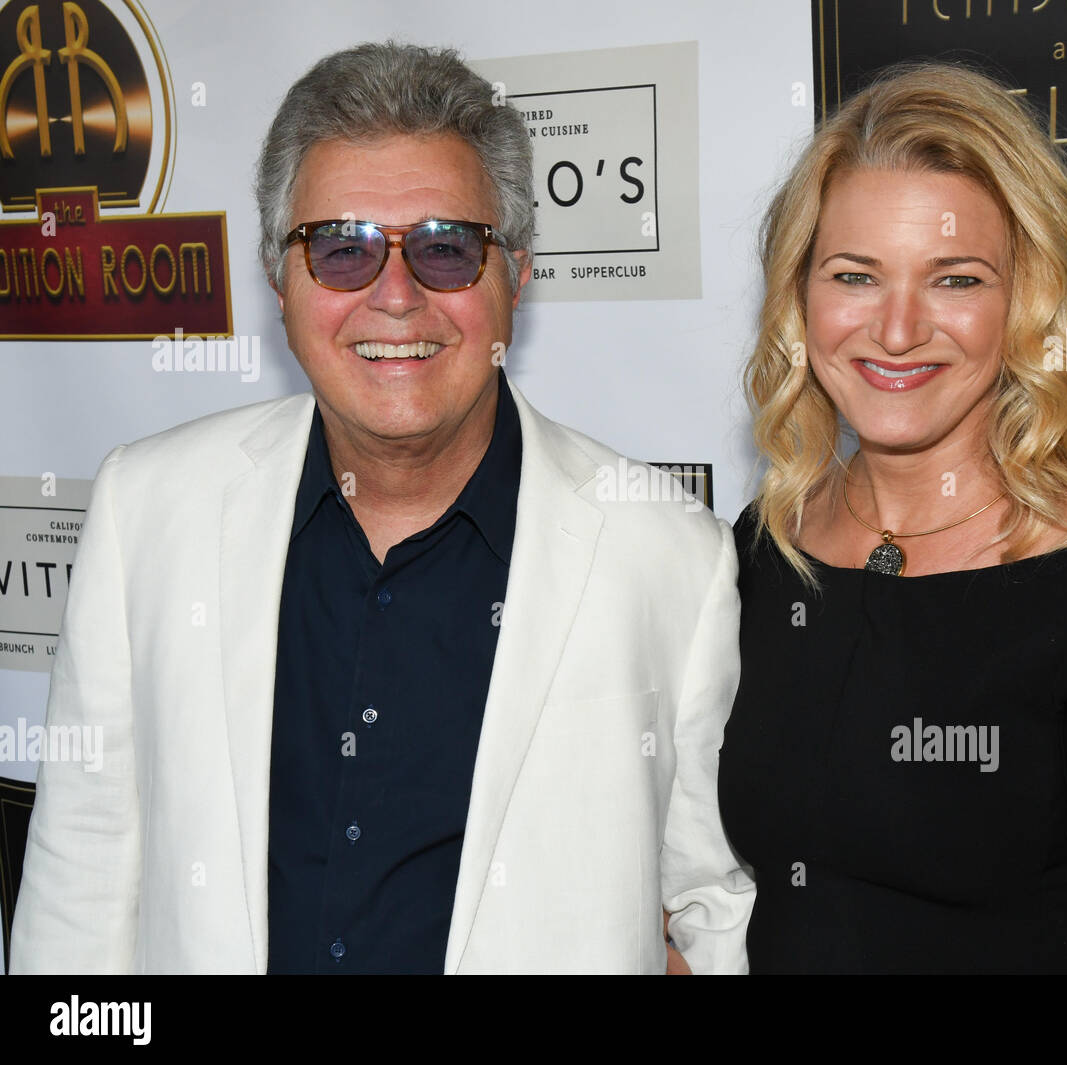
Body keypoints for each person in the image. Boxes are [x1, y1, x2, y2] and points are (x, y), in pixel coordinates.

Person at [11, 42, 753, 974]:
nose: (395, 297)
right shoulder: (145, 508)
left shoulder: (670, 552)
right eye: (342, 248)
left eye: (446, 249)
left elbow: (710, 912)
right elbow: (76, 902)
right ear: (280, 282)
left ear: (515, 275)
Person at [717, 61, 1067, 974]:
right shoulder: (767, 548)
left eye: (954, 280)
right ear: (801, 297)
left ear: (1027, 303)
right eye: (856, 275)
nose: (900, 328)